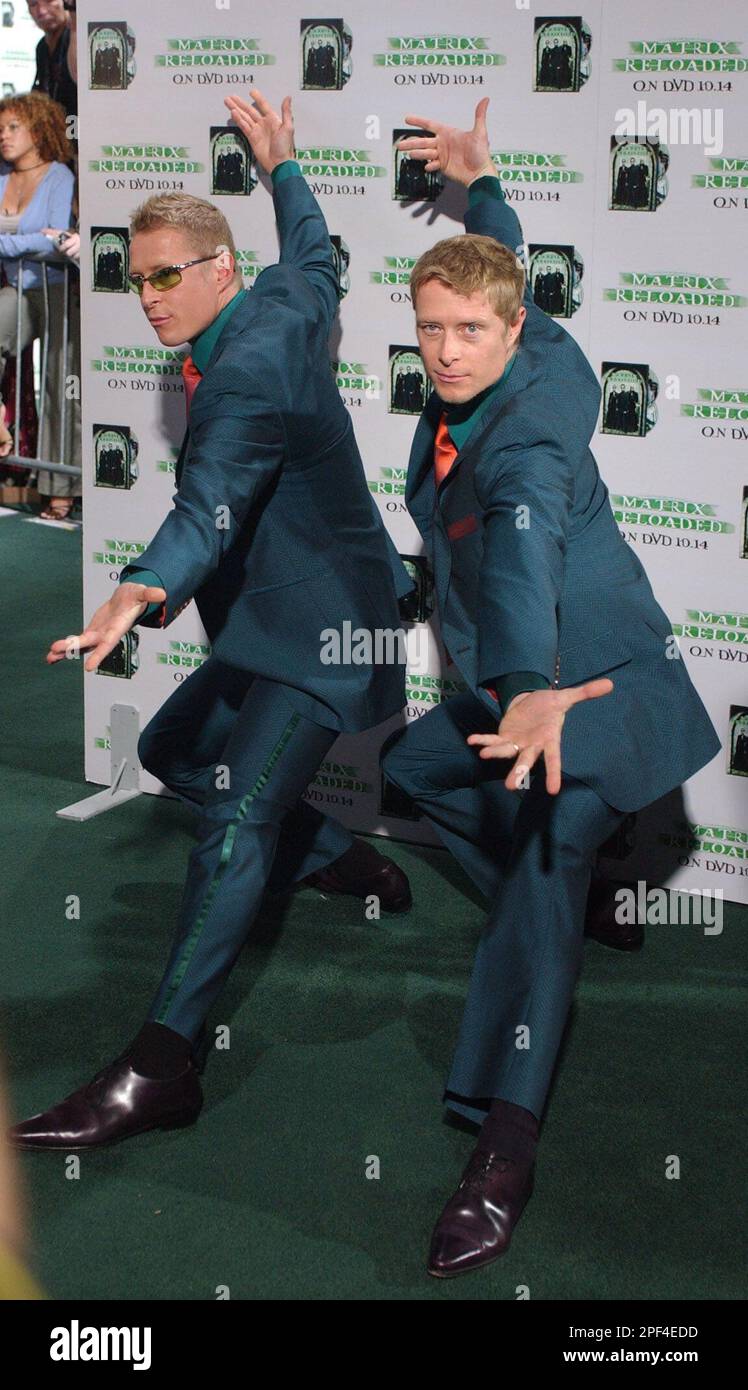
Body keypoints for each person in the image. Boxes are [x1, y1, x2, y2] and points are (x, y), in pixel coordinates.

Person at [9, 89, 414, 1153]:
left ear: (218, 269)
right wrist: (283, 165)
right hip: (283, 611)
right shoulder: (285, 297)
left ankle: (161, 1065)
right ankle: (333, 851)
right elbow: (320, 256)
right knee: (169, 747)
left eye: (167, 276)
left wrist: (140, 589)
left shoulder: (245, 373)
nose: (147, 297)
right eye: (136, 278)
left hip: (320, 627)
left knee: (232, 823)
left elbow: (210, 504)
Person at [383, 99, 721, 1277]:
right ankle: (579, 900)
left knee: (535, 863)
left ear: (514, 331)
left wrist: (528, 686)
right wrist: (480, 184)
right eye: (430, 329)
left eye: (472, 330)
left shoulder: (526, 435)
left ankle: (502, 1144)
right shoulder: (544, 344)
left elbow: (521, 543)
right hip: (523, 689)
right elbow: (500, 259)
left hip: (592, 689)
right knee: (416, 765)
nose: (448, 351)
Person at [0, 90, 78, 519]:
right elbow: (37, 237)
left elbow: (55, 239)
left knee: (60, 390)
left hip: (59, 288)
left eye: (14, 127)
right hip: (20, 291)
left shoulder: (59, 176)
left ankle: (60, 490)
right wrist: (24, 244)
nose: (4, 136)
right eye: (1, 129)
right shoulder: (0, 178)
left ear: (38, 129)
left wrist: (6, 244)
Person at [28, 0, 77, 122]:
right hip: (56, 131)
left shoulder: (77, 37)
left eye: (49, 1)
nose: (41, 11)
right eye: (33, 4)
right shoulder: (41, 47)